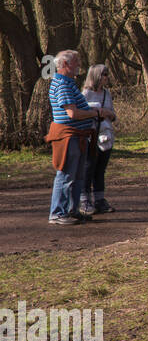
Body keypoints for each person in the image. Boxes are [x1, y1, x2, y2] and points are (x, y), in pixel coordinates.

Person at [45, 50, 99, 225]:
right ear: (66, 64)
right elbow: (72, 113)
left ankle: (72, 210)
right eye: (76, 62)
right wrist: (95, 112)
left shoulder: (68, 83)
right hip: (68, 136)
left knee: (77, 176)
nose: (79, 65)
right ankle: (58, 213)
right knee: (66, 175)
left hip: (77, 136)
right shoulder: (62, 84)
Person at [79, 63, 117, 214]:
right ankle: (84, 200)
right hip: (90, 135)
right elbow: (81, 113)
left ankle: (100, 199)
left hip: (105, 135)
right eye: (104, 74)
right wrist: (96, 112)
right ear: (96, 76)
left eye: (107, 74)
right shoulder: (85, 94)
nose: (106, 78)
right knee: (89, 167)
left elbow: (113, 115)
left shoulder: (107, 94)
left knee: (100, 169)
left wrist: (107, 113)